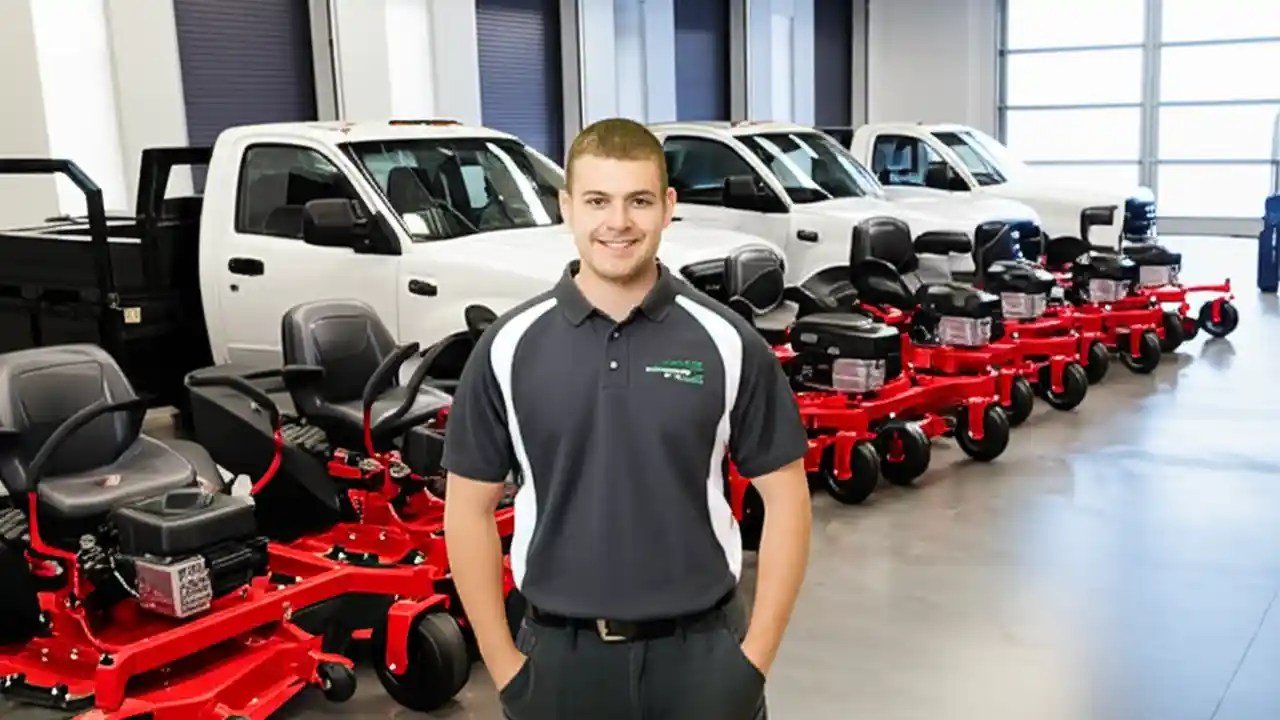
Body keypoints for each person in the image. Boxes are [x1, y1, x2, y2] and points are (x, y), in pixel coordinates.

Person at [441, 117, 812, 719]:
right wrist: (505, 666)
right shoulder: (508, 347)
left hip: (702, 662)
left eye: (639, 200)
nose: (618, 222)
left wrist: (751, 663)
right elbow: (467, 510)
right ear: (566, 207)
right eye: (597, 201)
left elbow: (788, 500)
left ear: (668, 207)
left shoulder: (728, 342)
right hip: (559, 664)